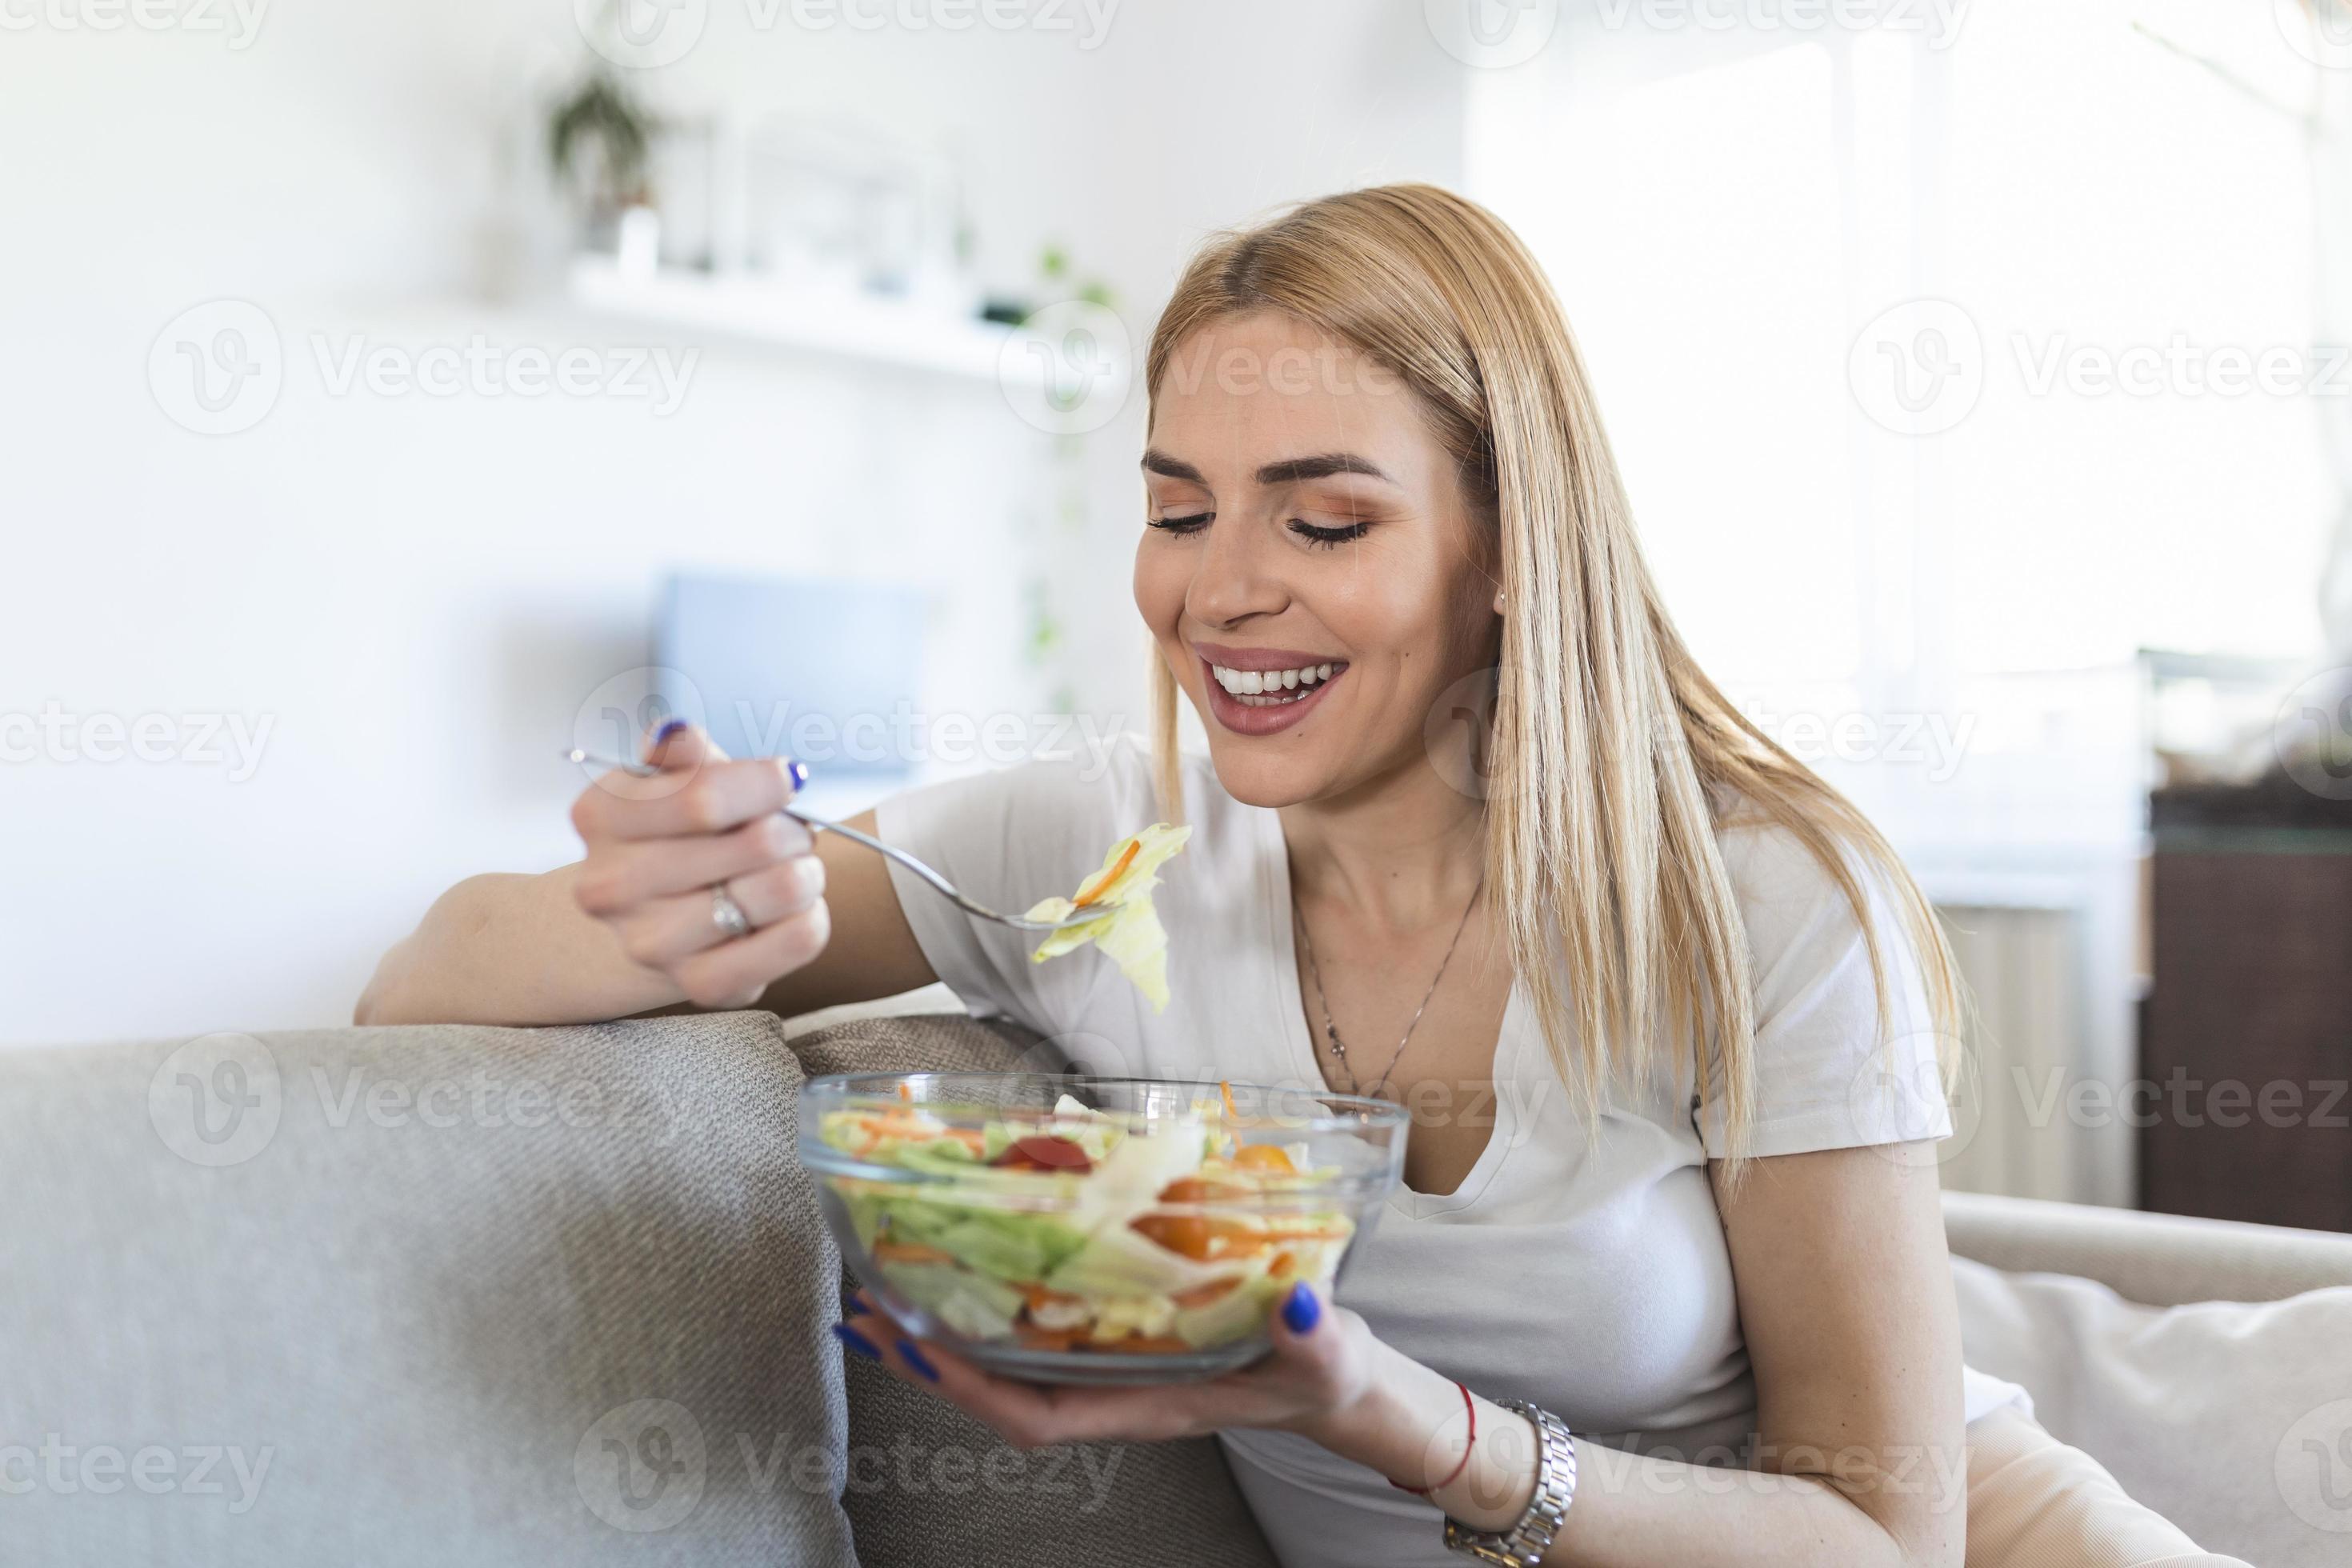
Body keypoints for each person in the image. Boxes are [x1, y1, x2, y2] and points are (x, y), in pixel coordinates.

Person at [361, 185, 2242, 1567]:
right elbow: (427, 978)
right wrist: (672, 892)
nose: (1217, 584)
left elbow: (1886, 1535)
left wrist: (1405, 1423)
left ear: (1508, 548)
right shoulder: (1096, 847)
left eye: (1322, 516)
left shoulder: (1755, 898)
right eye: (1177, 505)